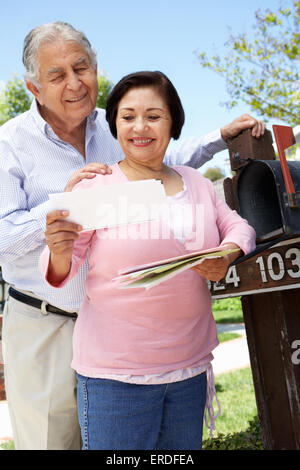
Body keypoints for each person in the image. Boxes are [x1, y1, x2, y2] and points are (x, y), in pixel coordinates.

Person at [0, 21, 264, 451]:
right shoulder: (9, 143)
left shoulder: (113, 126)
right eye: (57, 74)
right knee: (50, 443)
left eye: (81, 67)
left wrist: (220, 137)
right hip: (44, 319)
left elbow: (168, 158)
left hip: (126, 332)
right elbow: (3, 236)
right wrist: (64, 206)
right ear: (33, 87)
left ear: (96, 67)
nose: (75, 82)